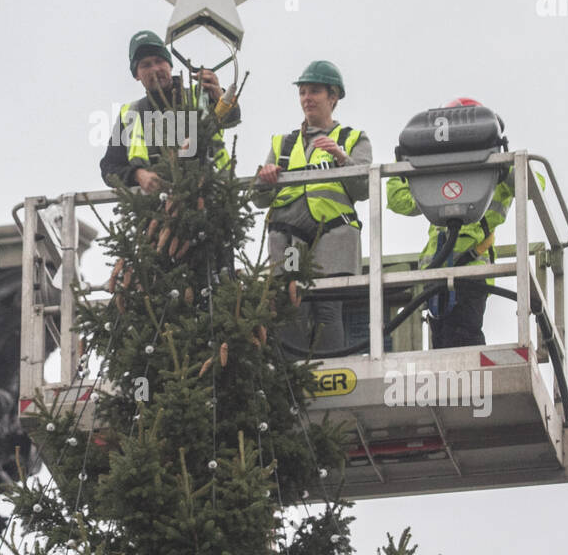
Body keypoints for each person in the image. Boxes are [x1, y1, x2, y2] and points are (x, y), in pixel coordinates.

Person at [385, 97, 532, 349]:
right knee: (441, 344)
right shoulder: (435, 179)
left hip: (471, 271)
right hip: (436, 271)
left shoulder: (496, 173)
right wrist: (404, 166)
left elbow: (532, 185)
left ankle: (470, 386)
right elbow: (399, 201)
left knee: (463, 338)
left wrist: (505, 165)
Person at [253, 61, 371, 357]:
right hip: (289, 237)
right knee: (293, 305)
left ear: (333, 97)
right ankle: (293, 375)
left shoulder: (353, 139)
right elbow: (259, 199)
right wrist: (265, 180)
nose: (307, 98)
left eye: (314, 91)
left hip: (333, 233)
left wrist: (342, 158)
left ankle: (333, 371)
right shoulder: (282, 143)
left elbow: (364, 189)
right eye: (303, 92)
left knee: (327, 306)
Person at [99, 31, 238, 191]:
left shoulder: (200, 95)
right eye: (146, 65)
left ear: (170, 65)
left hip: (215, 199)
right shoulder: (131, 113)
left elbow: (232, 118)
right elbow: (109, 167)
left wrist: (220, 95)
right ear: (136, 75)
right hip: (158, 208)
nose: (155, 69)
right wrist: (138, 174)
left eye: (159, 61)